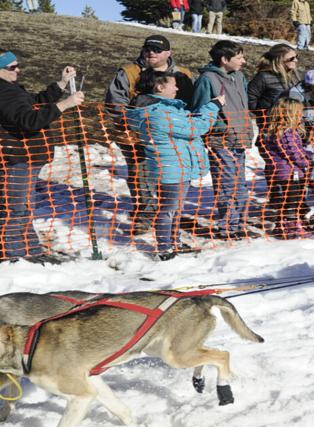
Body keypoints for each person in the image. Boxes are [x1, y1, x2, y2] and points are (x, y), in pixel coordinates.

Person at [0, 48, 84, 263]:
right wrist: (65, 104)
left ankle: (30, 254)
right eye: (12, 67)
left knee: (23, 210)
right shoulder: (1, 91)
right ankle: (17, 259)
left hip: (21, 159)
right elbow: (28, 120)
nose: (18, 70)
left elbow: (34, 101)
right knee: (16, 211)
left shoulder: (4, 87)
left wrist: (61, 84)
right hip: (14, 160)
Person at [106, 35, 195, 236]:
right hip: (135, 136)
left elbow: (191, 103)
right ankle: (144, 215)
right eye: (148, 49)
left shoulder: (183, 74)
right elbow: (115, 103)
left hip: (173, 137)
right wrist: (136, 123)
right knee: (141, 176)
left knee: (171, 178)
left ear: (169, 53)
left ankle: (170, 215)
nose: (151, 53)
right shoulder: (129, 72)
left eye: (157, 50)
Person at [126, 70, 220, 260]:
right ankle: (164, 249)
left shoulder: (167, 109)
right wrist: (213, 106)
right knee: (168, 210)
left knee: (175, 209)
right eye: (172, 84)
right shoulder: (157, 113)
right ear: (160, 87)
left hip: (178, 166)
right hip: (170, 168)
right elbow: (195, 128)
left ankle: (173, 241)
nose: (177, 88)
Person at [190, 40, 253, 238]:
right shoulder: (207, 79)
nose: (243, 61)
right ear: (225, 59)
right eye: (239, 57)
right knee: (227, 185)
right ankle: (227, 227)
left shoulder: (239, 76)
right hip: (221, 139)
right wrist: (217, 126)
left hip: (239, 138)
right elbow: (199, 109)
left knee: (240, 185)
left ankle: (239, 223)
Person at [261, 100, 309, 238]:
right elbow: (292, 151)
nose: (302, 115)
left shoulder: (280, 130)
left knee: (289, 200)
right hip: (289, 172)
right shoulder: (286, 132)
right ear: (290, 114)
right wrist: (307, 161)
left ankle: (281, 225)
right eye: (299, 112)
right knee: (292, 200)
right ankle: (290, 228)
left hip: (286, 171)